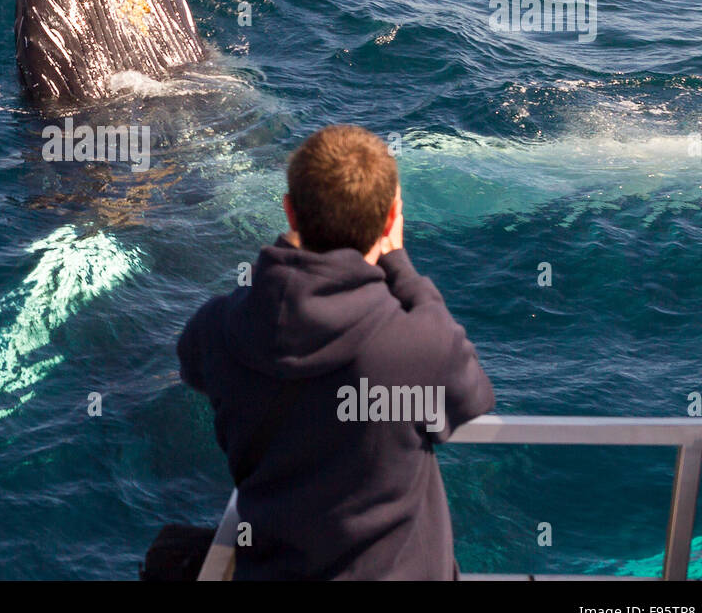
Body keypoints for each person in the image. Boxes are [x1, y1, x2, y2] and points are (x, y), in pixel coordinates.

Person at [177, 124, 495, 579]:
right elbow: (472, 397)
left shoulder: (218, 329)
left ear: (289, 211)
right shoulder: (416, 344)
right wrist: (400, 265)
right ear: (390, 221)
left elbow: (193, 367)